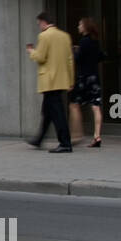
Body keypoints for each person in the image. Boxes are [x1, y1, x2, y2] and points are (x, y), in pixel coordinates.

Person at [27, 12, 75, 152]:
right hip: (61, 80)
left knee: (57, 113)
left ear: (43, 22)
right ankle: (39, 139)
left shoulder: (44, 36)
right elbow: (70, 60)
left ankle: (65, 143)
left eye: (39, 24)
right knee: (47, 111)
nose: (39, 27)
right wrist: (71, 80)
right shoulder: (65, 36)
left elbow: (41, 57)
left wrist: (31, 51)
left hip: (49, 80)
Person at [70, 17, 106, 147]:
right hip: (94, 78)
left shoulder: (84, 42)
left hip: (83, 78)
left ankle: (76, 134)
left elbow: (78, 59)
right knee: (96, 107)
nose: (78, 26)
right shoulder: (95, 42)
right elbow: (101, 56)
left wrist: (75, 51)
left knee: (74, 104)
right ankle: (97, 136)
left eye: (80, 24)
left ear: (85, 27)